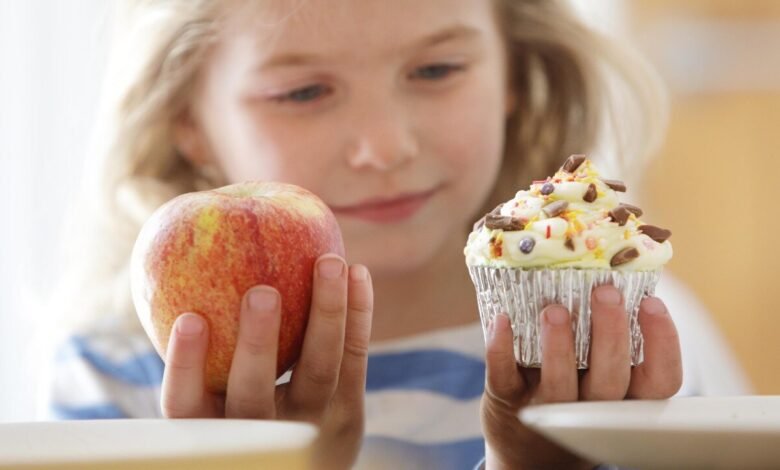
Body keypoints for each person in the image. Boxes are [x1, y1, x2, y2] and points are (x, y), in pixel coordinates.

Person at [44, 0, 750, 469]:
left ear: (515, 75)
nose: (383, 147)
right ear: (189, 122)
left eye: (437, 69)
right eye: (302, 92)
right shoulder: (117, 377)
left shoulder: (617, 343)